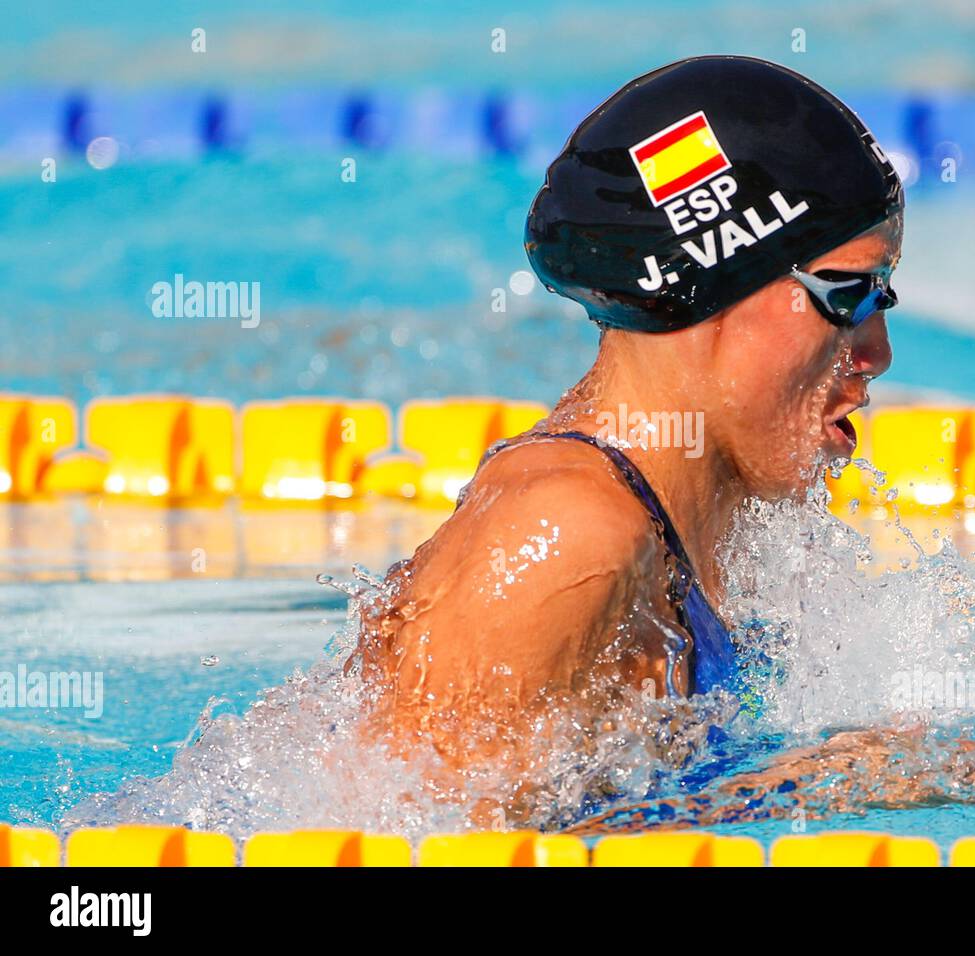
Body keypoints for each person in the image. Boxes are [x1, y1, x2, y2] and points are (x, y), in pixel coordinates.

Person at [351, 55, 911, 802]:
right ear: (714, 282)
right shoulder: (565, 532)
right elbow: (419, 850)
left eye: (884, 299)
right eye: (849, 295)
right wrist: (799, 788)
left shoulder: (697, 520)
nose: (876, 353)